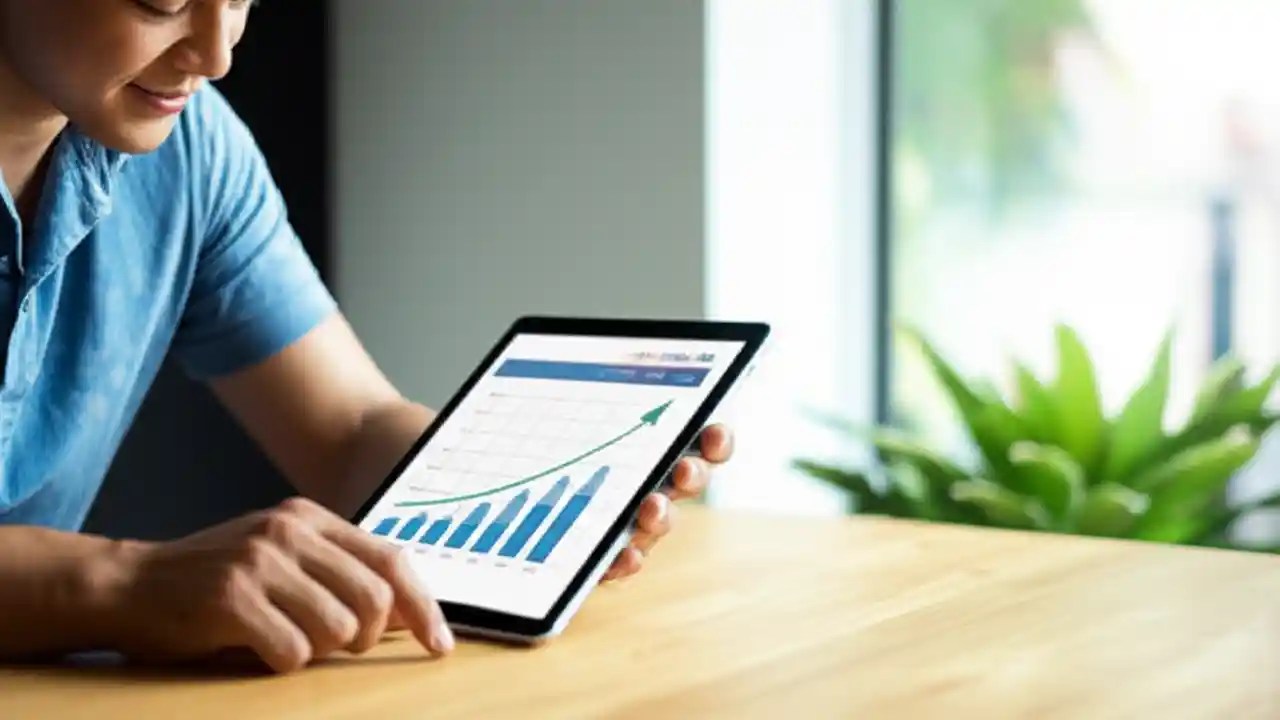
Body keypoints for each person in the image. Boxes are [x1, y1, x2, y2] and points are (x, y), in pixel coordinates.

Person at [0, 0, 735, 673]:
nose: (217, 54)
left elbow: (351, 430)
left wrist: (534, 506)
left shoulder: (189, 148)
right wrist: (125, 584)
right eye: (163, 2)